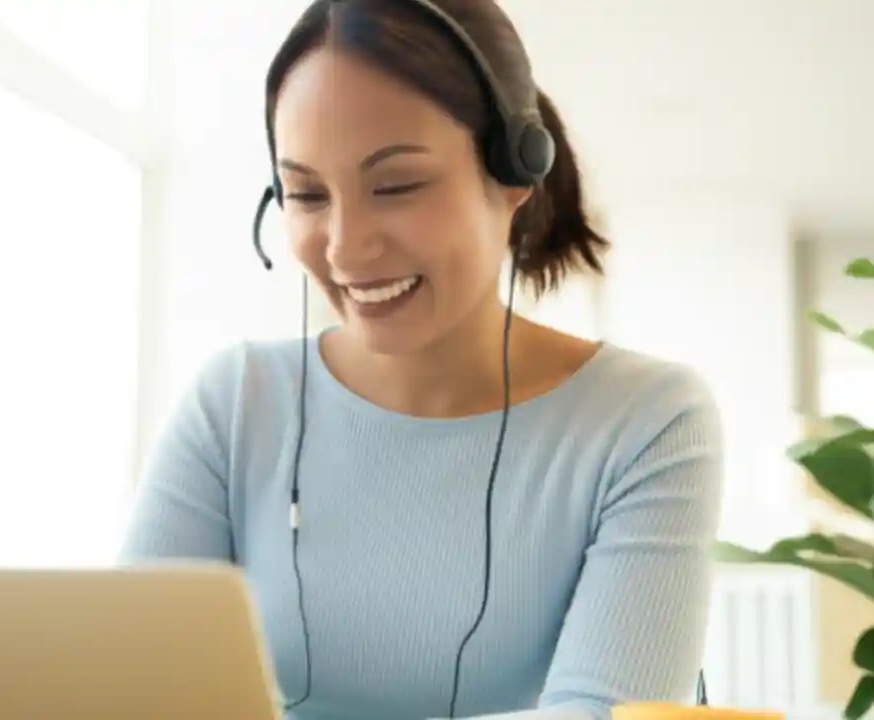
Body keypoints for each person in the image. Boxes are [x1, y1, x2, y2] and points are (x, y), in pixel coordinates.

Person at [120, 1, 724, 718]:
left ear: (514, 173)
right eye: (308, 194)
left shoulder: (646, 422)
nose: (345, 247)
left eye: (396, 186)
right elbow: (133, 691)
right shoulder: (236, 402)